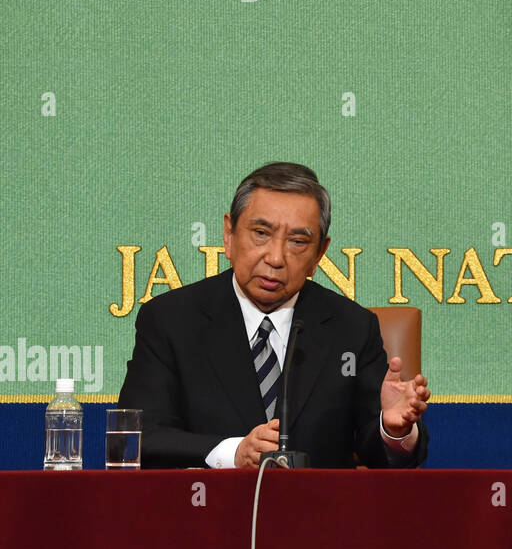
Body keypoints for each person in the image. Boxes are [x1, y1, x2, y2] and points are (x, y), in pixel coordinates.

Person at [120, 163, 430, 468]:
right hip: (208, 511)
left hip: (319, 514)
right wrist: (233, 452)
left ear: (319, 254)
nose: (276, 257)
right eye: (261, 233)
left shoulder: (351, 328)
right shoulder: (171, 320)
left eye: (298, 242)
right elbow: (136, 438)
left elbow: (381, 454)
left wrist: (392, 429)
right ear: (228, 234)